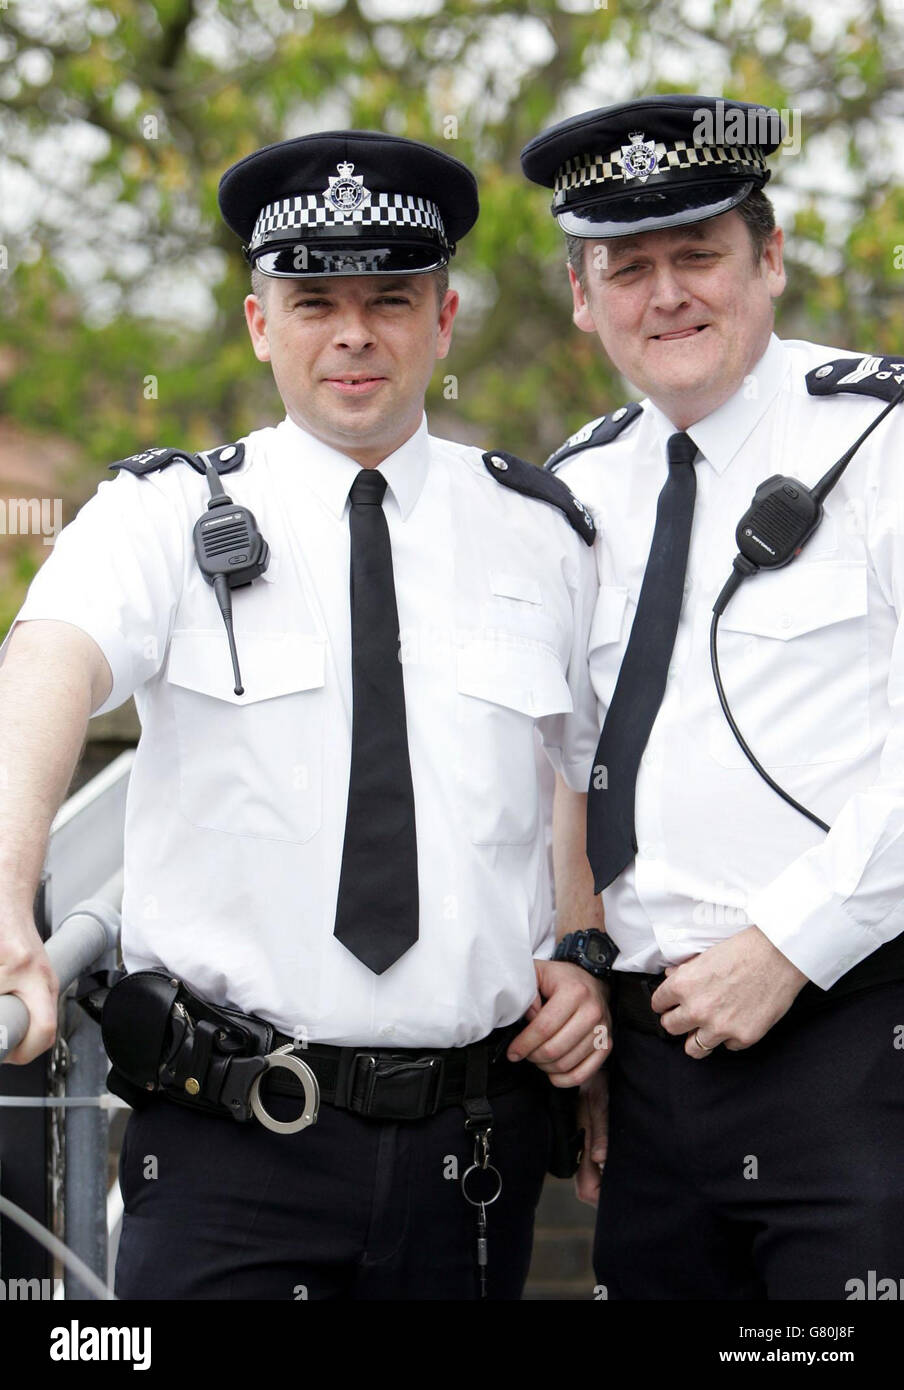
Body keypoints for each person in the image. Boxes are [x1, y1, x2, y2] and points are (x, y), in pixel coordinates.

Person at [0, 130, 610, 1300]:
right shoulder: (164, 516)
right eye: (313, 297)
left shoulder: (545, 533)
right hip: (237, 1151)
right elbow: (50, 659)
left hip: (470, 1153)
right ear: (257, 323)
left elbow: (576, 767)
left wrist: (577, 948)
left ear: (444, 318)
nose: (352, 332)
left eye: (390, 298)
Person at [520, 94, 904, 1300]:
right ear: (583, 300)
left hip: (857, 1030)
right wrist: (581, 960)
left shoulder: (882, 439)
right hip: (650, 1060)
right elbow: (570, 766)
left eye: (698, 255)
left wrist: (790, 940)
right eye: (626, 268)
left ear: (771, 258)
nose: (667, 294)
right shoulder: (571, 492)